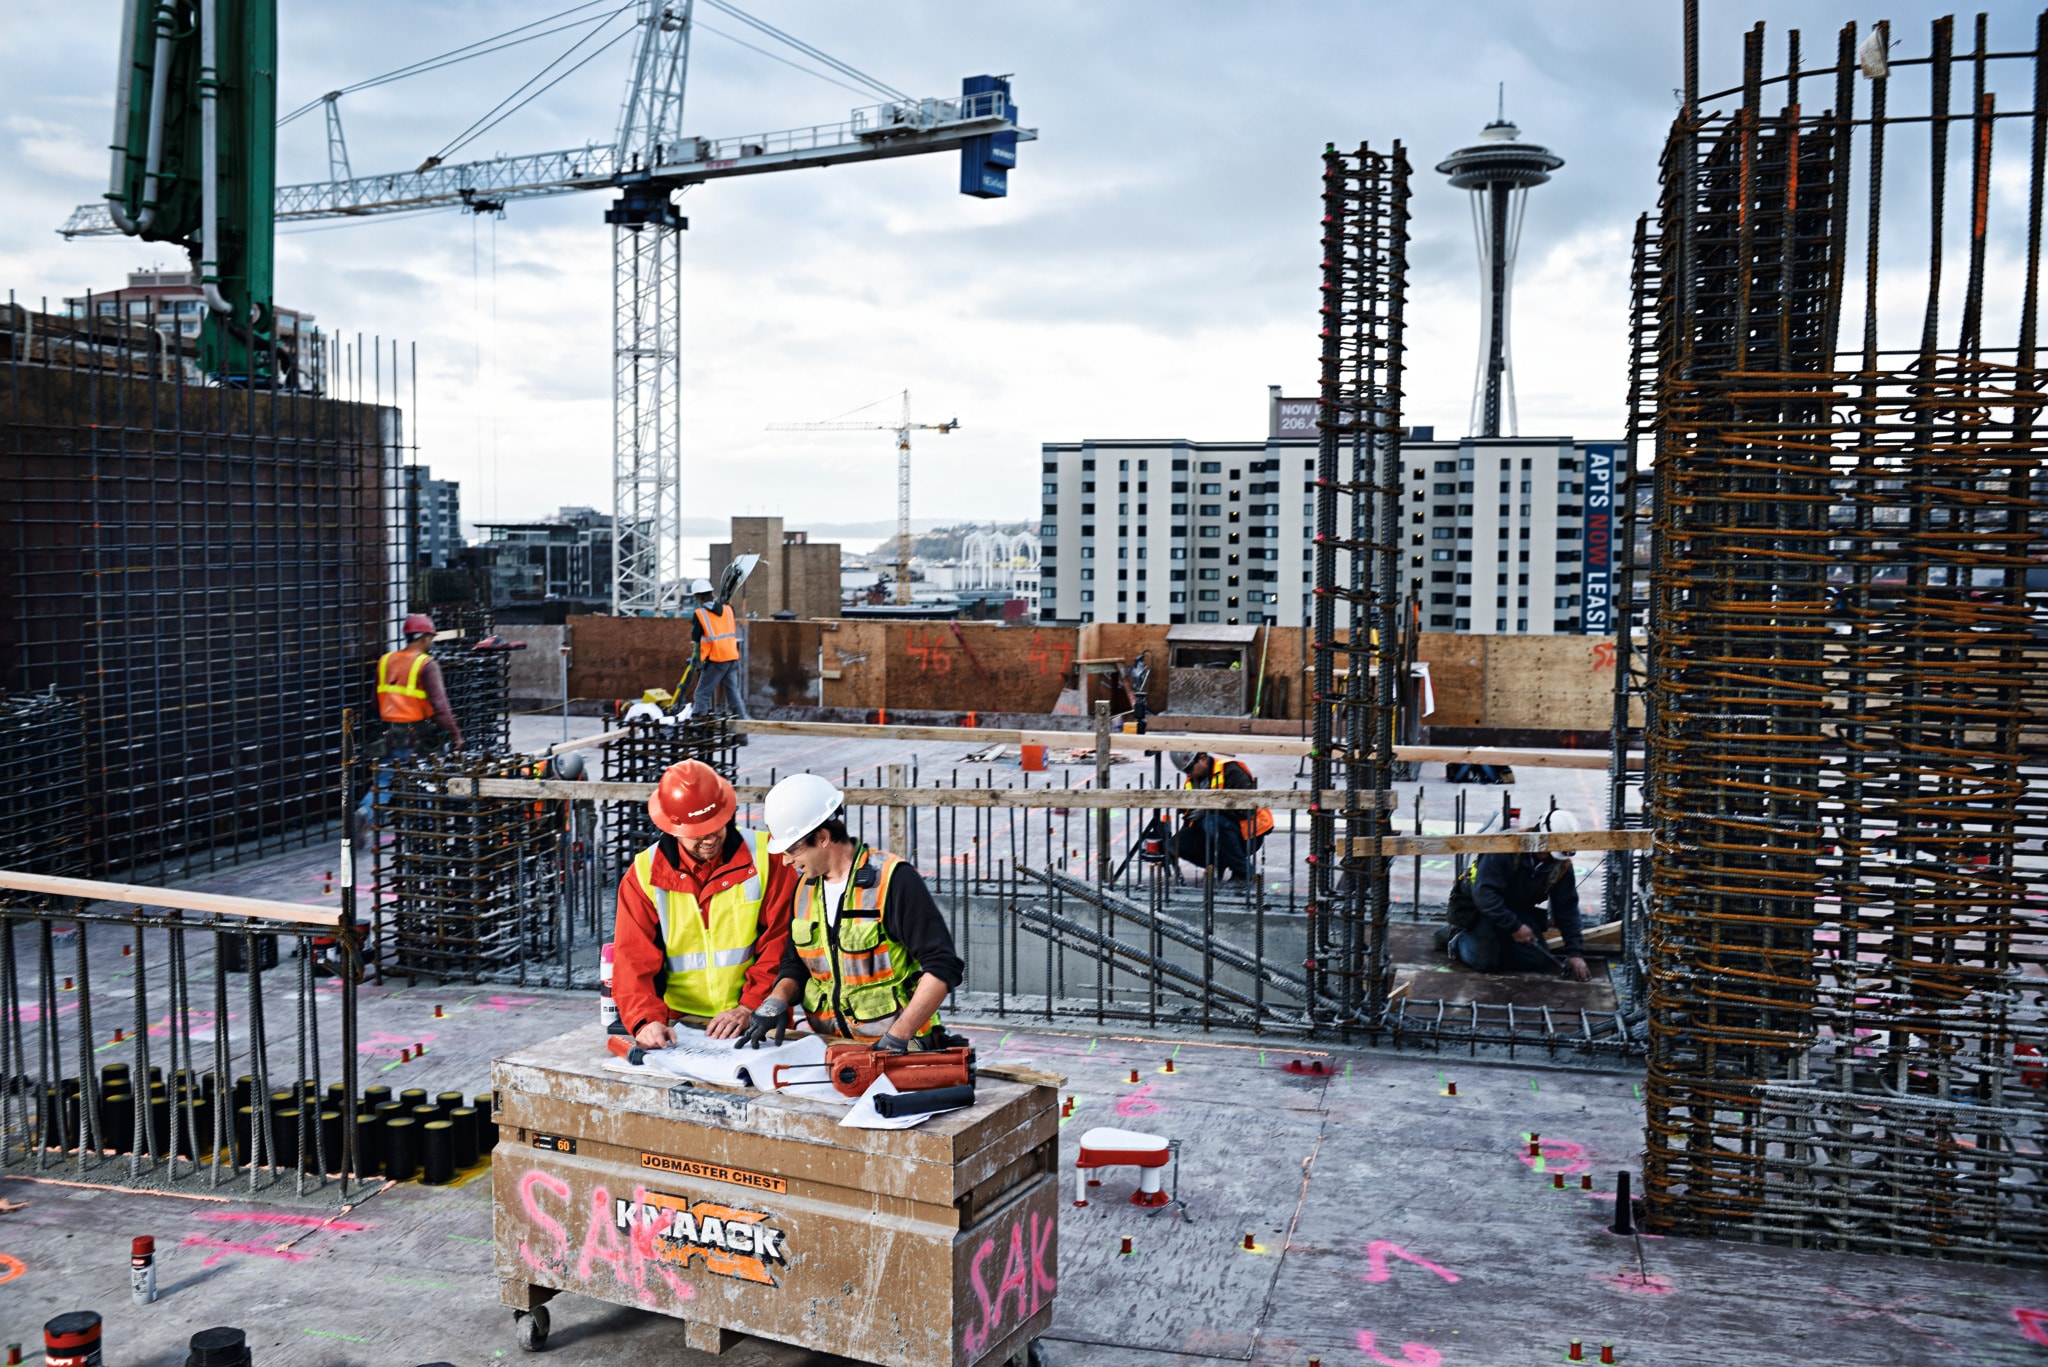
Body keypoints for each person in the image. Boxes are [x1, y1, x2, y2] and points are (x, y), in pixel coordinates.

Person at [733, 773, 964, 1053]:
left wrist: (897, 1038)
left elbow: (942, 966)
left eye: (792, 848)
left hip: (901, 1048)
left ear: (822, 838)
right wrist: (776, 1001)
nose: (786, 860)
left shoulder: (893, 880)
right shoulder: (804, 890)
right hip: (835, 1049)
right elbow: (795, 965)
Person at [611, 760, 799, 1045]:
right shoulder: (643, 875)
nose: (711, 838)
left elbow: (782, 944)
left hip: (758, 1017)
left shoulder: (769, 858)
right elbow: (632, 961)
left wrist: (751, 1005)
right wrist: (645, 1021)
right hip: (679, 1024)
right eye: (699, 832)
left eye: (716, 825)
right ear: (673, 828)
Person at [1442, 809, 1591, 981]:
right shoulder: (1506, 846)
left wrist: (1575, 953)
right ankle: (1457, 939)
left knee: (1537, 960)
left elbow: (1567, 908)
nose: (1554, 859)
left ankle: (1495, 942)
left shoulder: (1560, 863)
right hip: (1479, 908)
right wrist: (1514, 927)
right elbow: (1484, 895)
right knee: (1484, 962)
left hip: (1514, 909)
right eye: (1553, 853)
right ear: (1540, 838)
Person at [353, 613, 464, 842]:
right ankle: (427, 833)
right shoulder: (426, 664)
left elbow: (374, 701)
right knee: (425, 781)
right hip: (420, 735)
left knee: (385, 781)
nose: (431, 642)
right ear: (424, 638)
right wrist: (456, 736)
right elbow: (441, 707)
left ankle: (365, 812)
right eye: (430, 637)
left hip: (390, 733)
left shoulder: (385, 661)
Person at [1168, 750, 1272, 882]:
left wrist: (1208, 809)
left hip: (1247, 835)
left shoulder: (1231, 771)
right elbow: (1189, 820)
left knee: (1211, 822)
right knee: (1176, 843)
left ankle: (1243, 873)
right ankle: (1218, 865)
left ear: (1203, 758)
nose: (1189, 774)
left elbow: (1245, 811)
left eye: (1190, 768)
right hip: (1216, 834)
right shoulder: (1193, 781)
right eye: (1185, 771)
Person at [691, 579, 749, 721]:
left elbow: (696, 637)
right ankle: (742, 733)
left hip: (717, 659)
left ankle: (701, 732)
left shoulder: (700, 614)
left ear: (698, 596)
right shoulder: (728, 610)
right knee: (733, 695)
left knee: (701, 694)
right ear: (711, 593)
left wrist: (697, 659)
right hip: (732, 657)